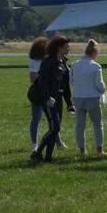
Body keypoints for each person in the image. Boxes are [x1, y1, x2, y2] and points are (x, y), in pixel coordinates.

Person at [30, 35, 73, 164]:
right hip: (48, 100)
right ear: (59, 48)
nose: (69, 49)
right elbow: (42, 82)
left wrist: (69, 103)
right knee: (55, 128)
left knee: (56, 128)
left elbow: (65, 86)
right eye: (67, 47)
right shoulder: (48, 61)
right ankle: (37, 153)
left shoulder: (63, 62)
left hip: (58, 100)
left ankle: (48, 157)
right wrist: (47, 98)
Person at [71, 39, 107, 158]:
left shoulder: (74, 64)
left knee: (80, 125)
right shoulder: (96, 66)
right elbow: (99, 85)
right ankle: (99, 150)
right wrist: (104, 91)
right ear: (95, 52)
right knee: (97, 124)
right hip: (92, 98)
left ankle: (82, 151)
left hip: (77, 97)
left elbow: (71, 81)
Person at [27, 37, 48, 154]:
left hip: (48, 92)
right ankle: (35, 144)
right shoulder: (35, 62)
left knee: (53, 120)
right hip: (38, 94)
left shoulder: (47, 60)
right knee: (36, 118)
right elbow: (33, 79)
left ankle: (58, 142)